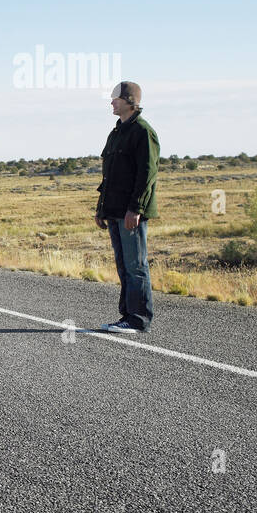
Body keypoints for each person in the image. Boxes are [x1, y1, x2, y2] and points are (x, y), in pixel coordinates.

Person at [94, 82, 158, 334]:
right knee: (123, 264)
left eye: (115, 98)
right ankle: (127, 316)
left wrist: (136, 208)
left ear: (130, 100)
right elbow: (108, 176)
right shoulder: (116, 133)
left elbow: (147, 174)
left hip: (131, 212)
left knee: (136, 265)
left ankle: (139, 319)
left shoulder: (143, 132)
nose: (111, 102)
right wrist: (101, 208)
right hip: (115, 209)